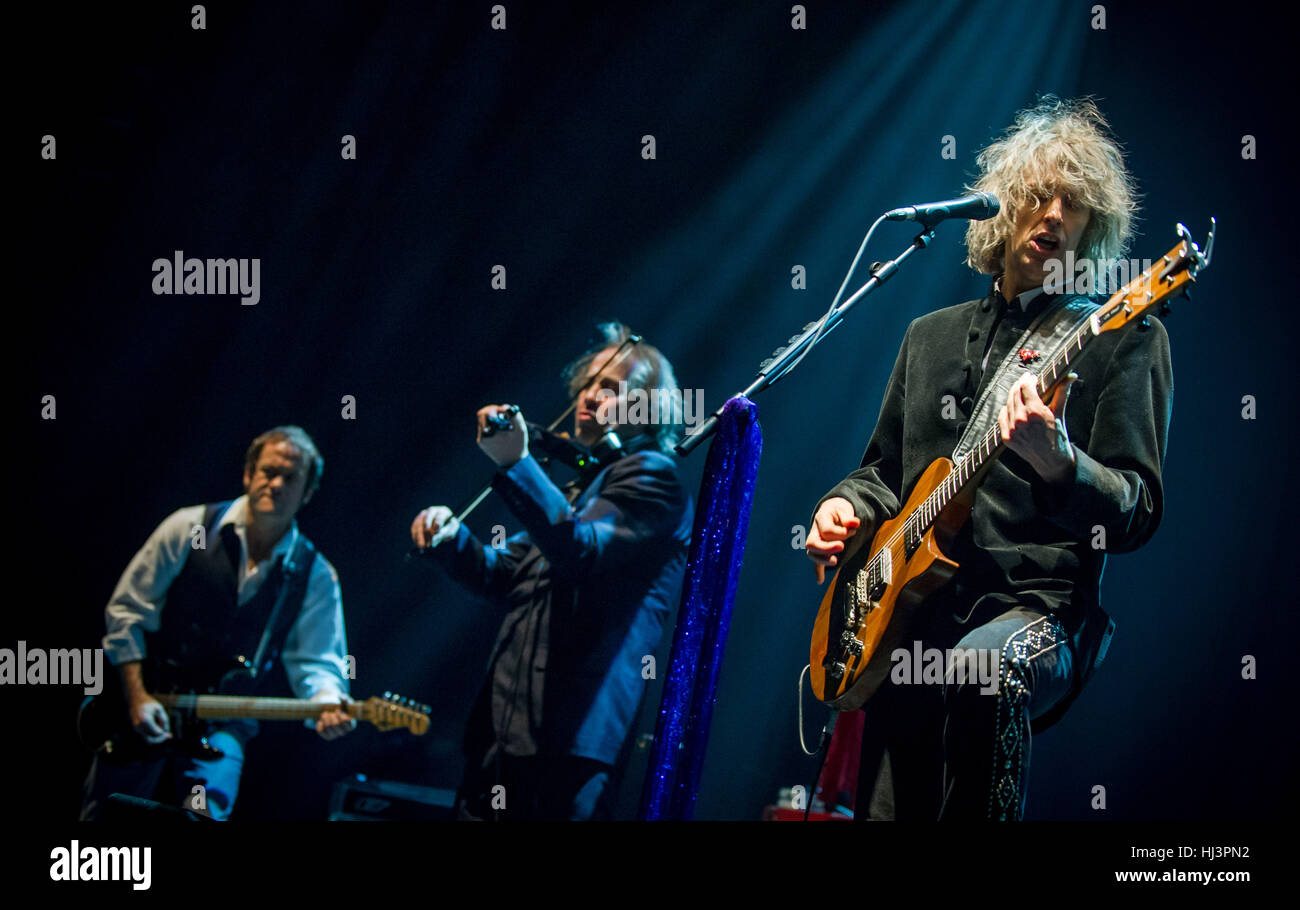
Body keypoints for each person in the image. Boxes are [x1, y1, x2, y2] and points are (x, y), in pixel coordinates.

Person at [805, 97, 1171, 820]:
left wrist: (1062, 463)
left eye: (1077, 206)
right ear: (1001, 208)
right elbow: (882, 473)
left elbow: (1137, 509)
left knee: (983, 664)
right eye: (1039, 194)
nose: (1055, 215)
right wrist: (841, 504)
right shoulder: (927, 337)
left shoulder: (1121, 337)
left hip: (1034, 611)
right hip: (907, 615)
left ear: (1096, 233)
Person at [411, 323, 693, 820]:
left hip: (571, 738)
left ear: (648, 407)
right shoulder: (578, 490)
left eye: (609, 388)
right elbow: (504, 576)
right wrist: (452, 541)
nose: (589, 396)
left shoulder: (653, 477)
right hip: (503, 731)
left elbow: (580, 549)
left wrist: (520, 461)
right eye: (586, 384)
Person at [81, 425, 354, 820]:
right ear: (248, 474)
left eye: (291, 478)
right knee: (106, 819)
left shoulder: (313, 572)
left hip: (221, 723)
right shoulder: (190, 527)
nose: (276, 484)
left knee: (204, 814)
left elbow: (318, 660)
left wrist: (328, 702)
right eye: (268, 472)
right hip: (143, 706)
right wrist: (138, 695)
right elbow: (127, 612)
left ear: (308, 492)